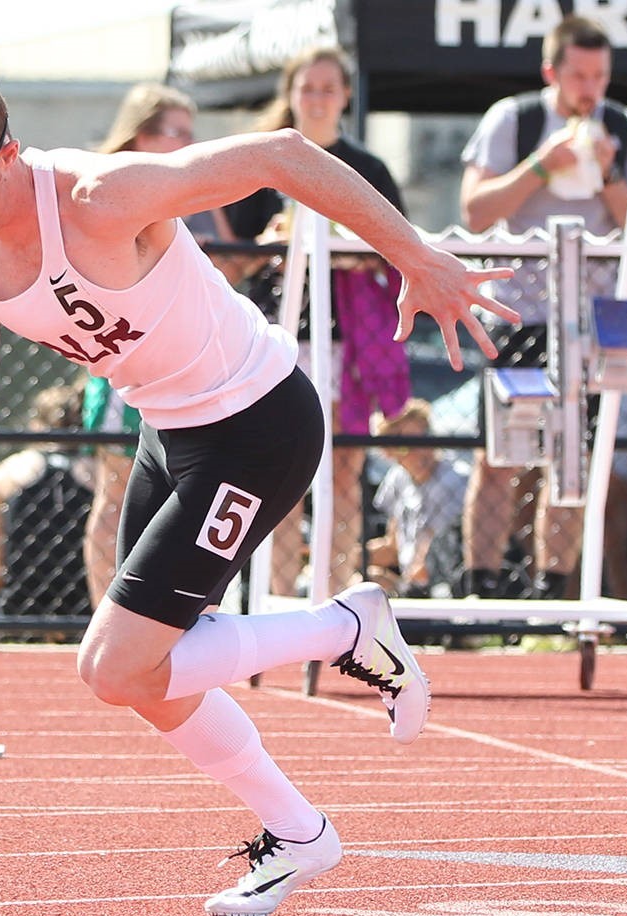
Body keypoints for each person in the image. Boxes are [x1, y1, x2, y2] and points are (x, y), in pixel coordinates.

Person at [0, 66, 514, 916]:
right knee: (148, 679)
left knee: (110, 665)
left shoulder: (100, 198)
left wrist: (415, 255)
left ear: (9, 156)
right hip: (167, 432)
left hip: (258, 422)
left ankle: (348, 625)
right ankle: (299, 831)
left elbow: (282, 153)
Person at [457, 14, 627, 606]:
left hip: (589, 320)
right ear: (552, 72)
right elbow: (474, 210)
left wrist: (608, 168)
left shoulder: (624, 126)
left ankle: (553, 590)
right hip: (518, 313)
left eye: (600, 75)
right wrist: (543, 165)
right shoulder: (514, 120)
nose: (589, 88)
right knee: (499, 452)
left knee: (573, 454)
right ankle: (480, 590)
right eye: (578, 75)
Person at [228, 45, 412, 597]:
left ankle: (335, 600)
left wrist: (349, 248)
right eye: (308, 87)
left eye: (328, 88)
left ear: (346, 96)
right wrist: (271, 245)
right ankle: (278, 598)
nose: (317, 98)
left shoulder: (369, 167)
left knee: (344, 472)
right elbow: (233, 257)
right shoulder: (261, 163)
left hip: (347, 340)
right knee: (279, 474)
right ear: (290, 94)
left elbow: (397, 243)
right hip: (277, 334)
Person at [81, 82, 238, 604]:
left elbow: (233, 265)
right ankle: (107, 616)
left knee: (187, 498)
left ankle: (161, 619)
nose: (187, 144)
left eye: (193, 135)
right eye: (177, 133)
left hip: (193, 366)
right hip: (126, 364)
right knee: (113, 495)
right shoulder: (93, 187)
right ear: (140, 134)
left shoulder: (193, 189)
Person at [0, 384, 94, 629]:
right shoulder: (106, 476)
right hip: (90, 616)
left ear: (35, 426)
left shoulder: (4, 476)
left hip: (17, 617)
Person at [365, 398, 470, 599]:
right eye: (406, 446)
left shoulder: (456, 479)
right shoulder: (398, 478)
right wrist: (343, 558)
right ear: (388, 453)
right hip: (410, 581)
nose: (420, 451)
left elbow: (433, 551)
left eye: (424, 438)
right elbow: (392, 546)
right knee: (363, 579)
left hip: (443, 580)